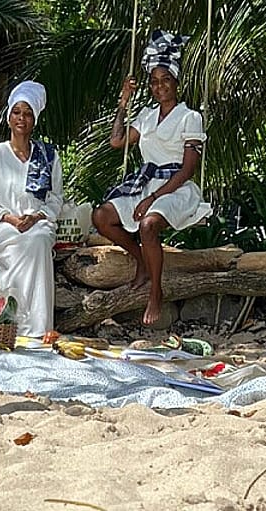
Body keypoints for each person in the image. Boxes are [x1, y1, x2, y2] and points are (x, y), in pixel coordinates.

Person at [92, 31, 211, 326]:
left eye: (165, 80)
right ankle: (143, 262)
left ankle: (155, 291)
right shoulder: (145, 116)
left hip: (176, 187)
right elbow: (117, 141)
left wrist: (153, 198)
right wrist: (123, 101)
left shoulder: (189, 117)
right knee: (101, 216)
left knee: (148, 225)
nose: (160, 87)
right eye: (155, 82)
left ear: (176, 82)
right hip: (147, 183)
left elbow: (187, 170)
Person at [0, 81, 63, 338]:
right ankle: (13, 323)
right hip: (3, 225)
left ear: (35, 119)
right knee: (22, 241)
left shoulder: (47, 156)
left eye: (28, 113)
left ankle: (39, 328)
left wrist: (36, 216)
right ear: (9, 117)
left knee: (38, 239)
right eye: (17, 112)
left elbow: (56, 198)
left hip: (38, 222)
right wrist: (10, 218)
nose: (22, 118)